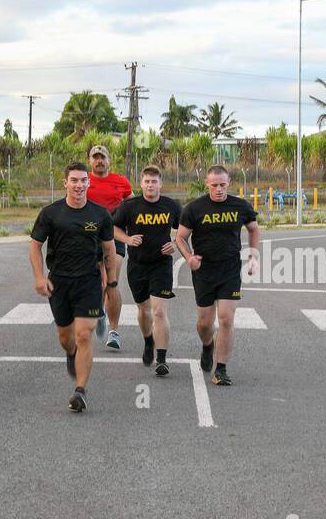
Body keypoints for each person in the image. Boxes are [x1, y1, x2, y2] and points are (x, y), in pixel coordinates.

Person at [29, 162, 118, 412]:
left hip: (88, 281)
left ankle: (80, 391)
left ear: (89, 183)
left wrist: (110, 282)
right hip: (59, 282)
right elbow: (35, 245)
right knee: (66, 338)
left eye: (83, 180)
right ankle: (71, 354)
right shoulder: (50, 213)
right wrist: (39, 277)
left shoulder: (100, 214)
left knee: (83, 334)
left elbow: (109, 249)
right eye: (74, 181)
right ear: (65, 183)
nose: (79, 185)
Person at [176, 165, 260, 385]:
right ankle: (207, 345)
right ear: (207, 183)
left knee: (226, 318)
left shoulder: (240, 206)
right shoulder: (194, 209)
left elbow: (253, 228)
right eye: (214, 185)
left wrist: (253, 255)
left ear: (229, 182)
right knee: (204, 323)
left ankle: (220, 368)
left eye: (223, 185)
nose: (219, 189)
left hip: (229, 270)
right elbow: (181, 238)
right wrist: (189, 258)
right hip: (204, 271)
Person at [111, 165, 182, 377]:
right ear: (141, 184)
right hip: (138, 265)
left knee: (159, 311)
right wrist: (127, 239)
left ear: (160, 183)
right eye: (147, 181)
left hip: (161, 264)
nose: (150, 185)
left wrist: (175, 244)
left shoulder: (171, 206)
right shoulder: (130, 206)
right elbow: (112, 228)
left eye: (154, 181)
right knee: (143, 310)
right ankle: (148, 340)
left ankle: (161, 359)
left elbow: (186, 229)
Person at [84, 144, 133, 349]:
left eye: (102, 157)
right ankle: (100, 312)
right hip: (89, 237)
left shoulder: (120, 181)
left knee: (111, 281)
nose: (99, 161)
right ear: (90, 161)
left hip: (115, 235)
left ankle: (114, 332)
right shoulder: (84, 181)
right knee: (99, 283)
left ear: (108, 160)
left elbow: (132, 206)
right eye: (95, 157)